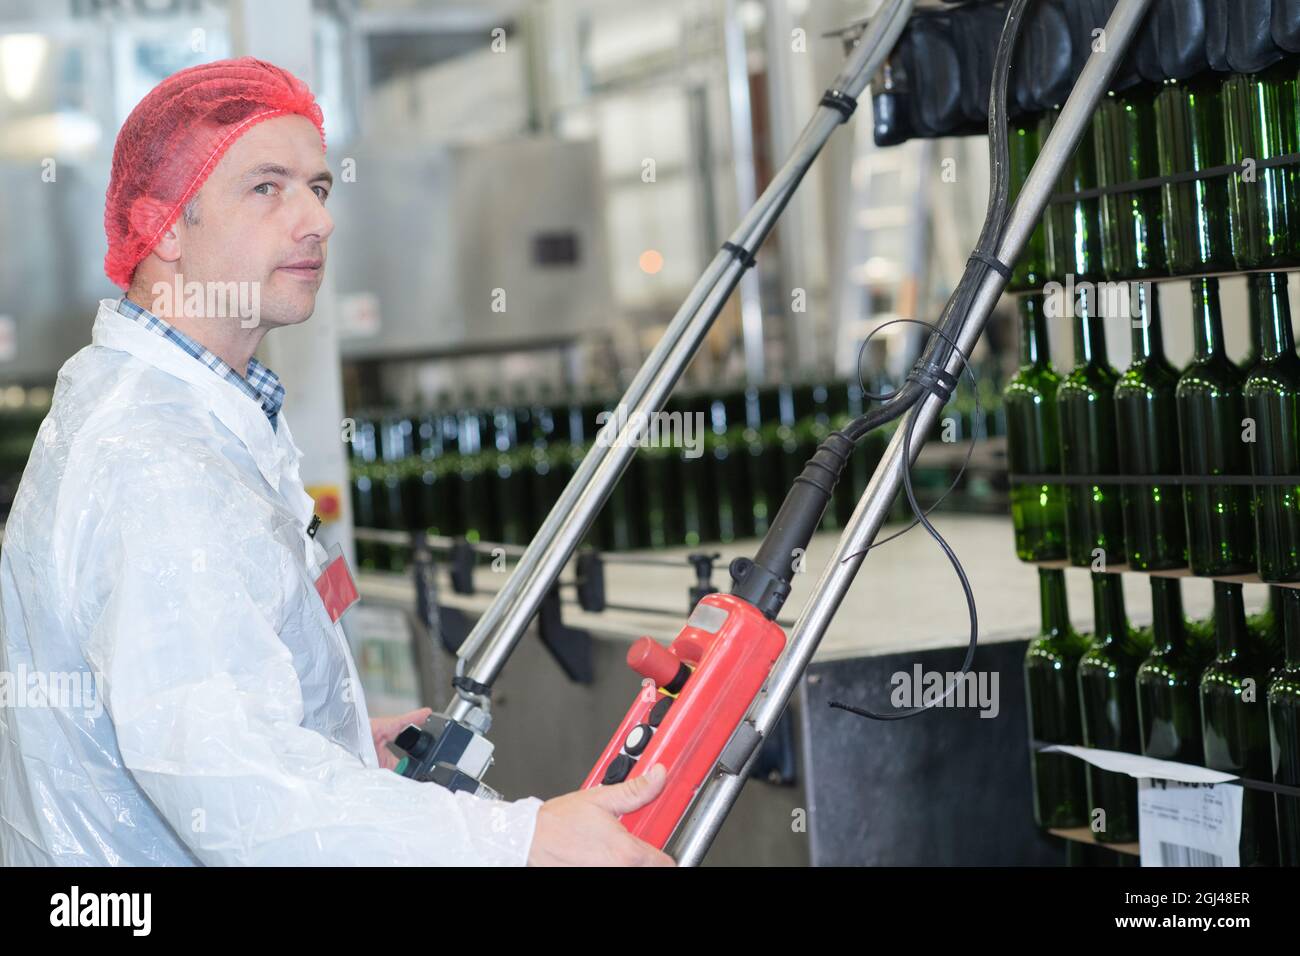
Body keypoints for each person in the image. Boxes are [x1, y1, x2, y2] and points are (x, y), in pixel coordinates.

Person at [0, 57, 672, 867]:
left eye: (318, 188)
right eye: (266, 187)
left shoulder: (190, 413)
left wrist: (345, 747)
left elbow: (214, 711)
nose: (315, 220)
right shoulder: (153, 461)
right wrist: (519, 840)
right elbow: (236, 789)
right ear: (166, 226)